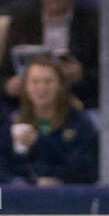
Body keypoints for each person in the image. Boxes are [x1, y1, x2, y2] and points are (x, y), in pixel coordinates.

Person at [0, 0, 99, 108]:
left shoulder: (92, 22)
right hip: (31, 106)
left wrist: (81, 75)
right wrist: (9, 85)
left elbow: (108, 73)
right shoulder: (22, 23)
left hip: (78, 101)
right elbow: (1, 76)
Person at [6, 56, 98, 184]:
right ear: (25, 86)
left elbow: (85, 167)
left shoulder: (78, 121)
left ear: (60, 85)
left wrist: (39, 142)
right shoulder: (13, 121)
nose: (42, 88)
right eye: (35, 82)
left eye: (48, 82)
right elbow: (5, 166)